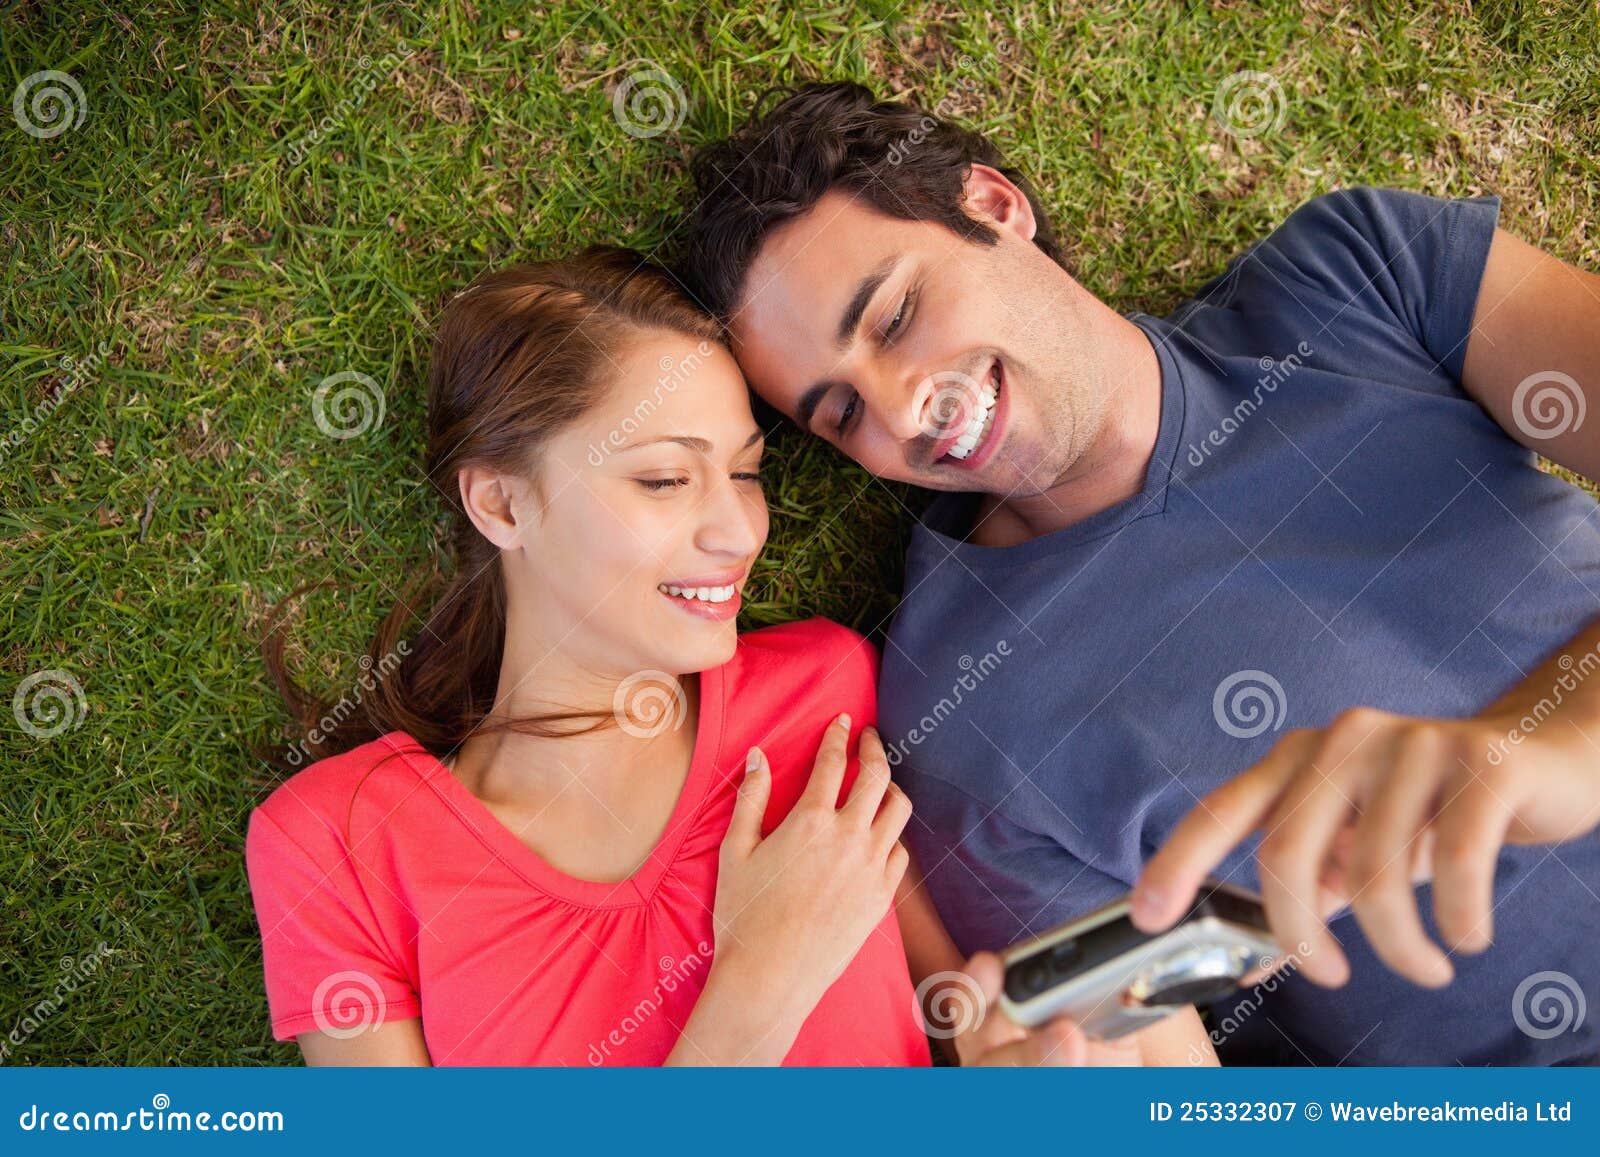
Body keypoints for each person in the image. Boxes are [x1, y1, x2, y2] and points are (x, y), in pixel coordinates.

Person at [682, 81, 1600, 1064]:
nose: (904, 414)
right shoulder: (962, 722)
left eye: (898, 315)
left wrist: (1547, 749)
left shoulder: (1358, 276)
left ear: (993, 206)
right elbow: (1149, 1049)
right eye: (840, 413)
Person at [247, 247, 1213, 1066]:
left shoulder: (819, 695)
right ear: (502, 504)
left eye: (746, 472)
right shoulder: (339, 844)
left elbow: (967, 1011)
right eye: (665, 477)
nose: (738, 529)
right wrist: (758, 983)